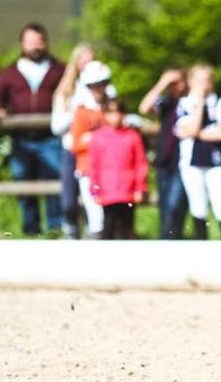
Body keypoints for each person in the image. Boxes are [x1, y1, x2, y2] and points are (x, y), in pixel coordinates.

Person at [0, 23, 65, 235]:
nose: (35, 46)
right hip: (21, 138)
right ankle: (31, 229)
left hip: (50, 137)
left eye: (39, 41)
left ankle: (55, 229)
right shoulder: (9, 73)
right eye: (31, 42)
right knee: (24, 183)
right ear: (22, 43)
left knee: (54, 182)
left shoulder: (59, 70)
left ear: (46, 42)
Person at [175, 64, 221, 240]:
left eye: (208, 80)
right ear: (190, 82)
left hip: (215, 161)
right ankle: (201, 242)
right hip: (191, 163)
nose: (205, 85)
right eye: (200, 81)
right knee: (198, 206)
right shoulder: (184, 104)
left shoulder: (220, 102)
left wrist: (197, 133)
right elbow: (191, 129)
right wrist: (200, 104)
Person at [51, 44, 100, 238]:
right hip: (71, 149)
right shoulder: (67, 91)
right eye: (84, 62)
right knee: (70, 200)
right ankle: (70, 231)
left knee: (93, 197)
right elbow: (56, 126)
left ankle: (94, 233)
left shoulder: (102, 88)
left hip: (94, 150)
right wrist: (78, 114)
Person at [139, 68, 189, 239]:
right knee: (165, 206)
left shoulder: (191, 103)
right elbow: (144, 108)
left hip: (182, 162)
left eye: (178, 81)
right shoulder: (166, 102)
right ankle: (167, 240)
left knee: (176, 206)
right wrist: (162, 83)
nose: (176, 86)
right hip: (164, 162)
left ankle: (171, 240)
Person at [88, 98, 148, 239]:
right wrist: (95, 191)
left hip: (128, 190)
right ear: (105, 114)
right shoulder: (98, 137)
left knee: (126, 229)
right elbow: (93, 166)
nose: (115, 117)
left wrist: (140, 188)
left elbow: (140, 163)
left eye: (118, 112)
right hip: (108, 192)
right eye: (111, 112)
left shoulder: (132, 136)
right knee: (108, 228)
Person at [70, 60, 113, 239]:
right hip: (89, 171)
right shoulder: (82, 112)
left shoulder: (111, 109)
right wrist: (96, 139)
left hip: (110, 170)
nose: (98, 89)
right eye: (94, 85)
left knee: (111, 211)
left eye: (102, 84)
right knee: (96, 214)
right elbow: (76, 144)